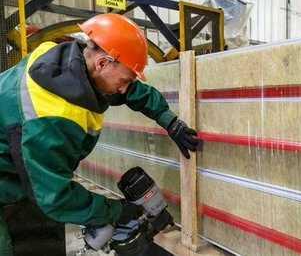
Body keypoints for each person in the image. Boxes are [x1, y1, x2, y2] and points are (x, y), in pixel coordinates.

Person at [0, 13, 200, 255]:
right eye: (125, 79)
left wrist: (170, 121)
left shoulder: (64, 61)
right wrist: (117, 211)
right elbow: (55, 197)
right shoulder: (50, 117)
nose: (125, 87)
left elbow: (130, 90)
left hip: (18, 173)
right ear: (103, 63)